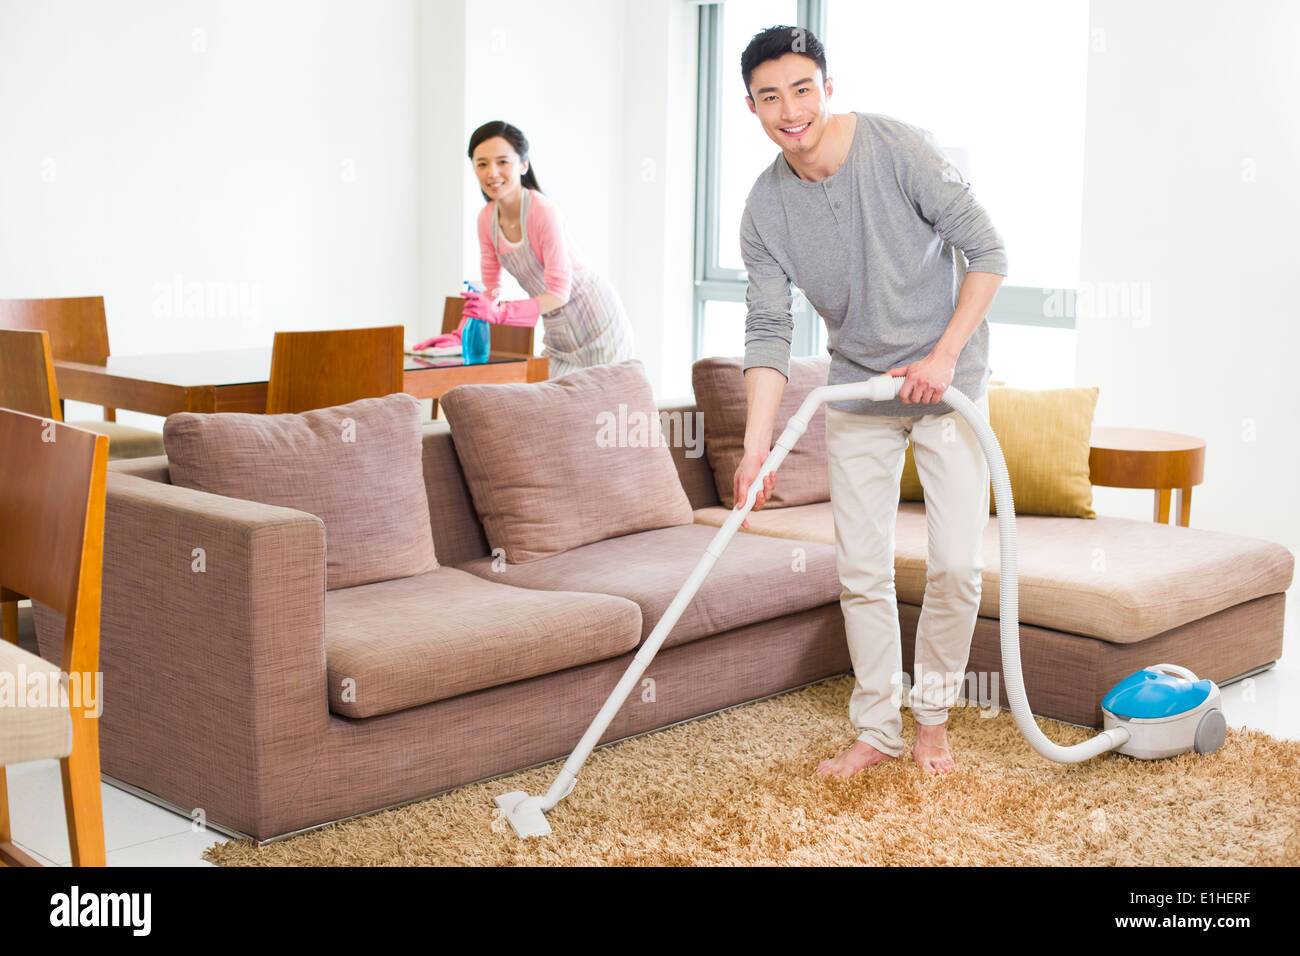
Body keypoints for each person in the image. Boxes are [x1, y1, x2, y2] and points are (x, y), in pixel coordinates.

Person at [732, 26, 1008, 776]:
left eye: (802, 89)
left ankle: (933, 718)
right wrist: (756, 447)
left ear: (827, 87)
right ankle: (879, 726)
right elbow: (767, 327)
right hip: (858, 384)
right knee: (861, 569)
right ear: (751, 106)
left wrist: (944, 354)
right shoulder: (764, 209)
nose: (790, 110)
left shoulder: (899, 149)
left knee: (955, 566)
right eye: (769, 97)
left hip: (949, 384)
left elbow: (988, 252)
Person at [422, 121, 635, 379]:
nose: (492, 172)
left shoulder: (543, 211)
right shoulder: (486, 219)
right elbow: (490, 291)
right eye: (481, 164)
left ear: (523, 164)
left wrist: (500, 313)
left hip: (597, 320)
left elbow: (558, 294)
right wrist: (459, 336)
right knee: (552, 409)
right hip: (558, 334)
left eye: (502, 162)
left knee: (601, 410)